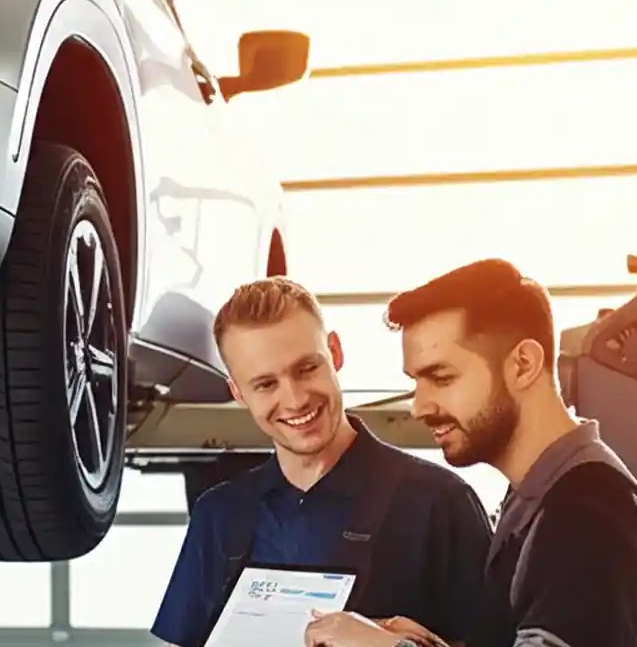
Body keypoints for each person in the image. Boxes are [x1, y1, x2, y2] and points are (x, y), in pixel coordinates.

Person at [304, 258, 637, 647]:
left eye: (442, 378)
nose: (420, 406)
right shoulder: (537, 497)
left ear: (523, 364)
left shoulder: (589, 513)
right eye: (417, 382)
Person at [150, 277, 493, 647]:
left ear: (335, 352)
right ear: (238, 392)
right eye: (266, 384)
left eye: (306, 369)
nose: (295, 400)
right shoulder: (218, 516)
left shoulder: (439, 504)